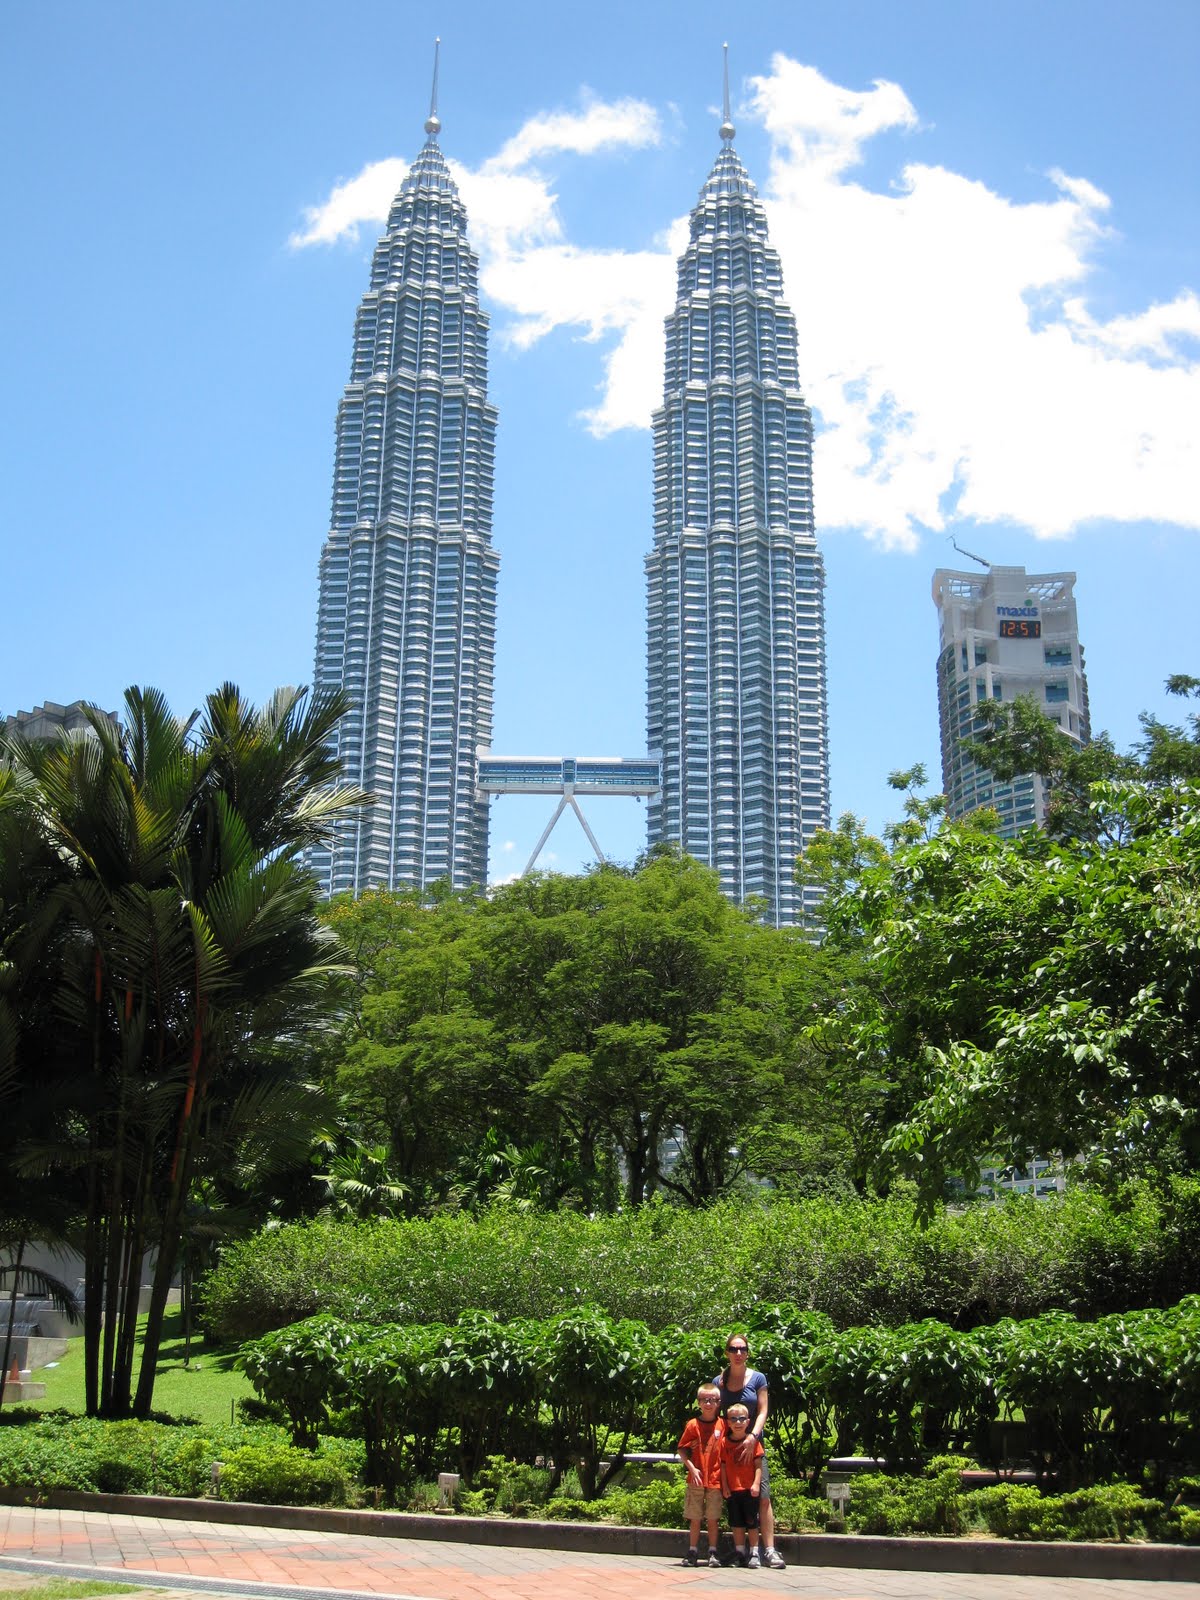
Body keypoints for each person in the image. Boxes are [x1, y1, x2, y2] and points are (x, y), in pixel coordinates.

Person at [714, 1333, 786, 1568]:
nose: (738, 1354)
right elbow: (714, 1413)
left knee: (762, 1497)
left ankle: (770, 1550)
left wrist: (753, 1436)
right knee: (735, 1497)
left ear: (748, 1352)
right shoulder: (719, 1382)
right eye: (733, 1349)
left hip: (754, 1446)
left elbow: (763, 1410)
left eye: (742, 1349)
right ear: (726, 1352)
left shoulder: (758, 1378)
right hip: (730, 1449)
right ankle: (741, 1551)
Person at [677, 1382, 724, 1566]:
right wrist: (691, 1468)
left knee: (712, 1518)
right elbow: (682, 1450)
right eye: (704, 1400)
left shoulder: (723, 1424)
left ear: (718, 1402)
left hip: (715, 1478)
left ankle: (712, 1552)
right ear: (698, 1402)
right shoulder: (692, 1425)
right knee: (695, 1517)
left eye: (712, 1400)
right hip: (696, 1479)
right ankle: (692, 1551)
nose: (708, 1404)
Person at [718, 1404, 763, 1567]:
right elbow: (722, 1466)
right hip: (733, 1490)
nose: (738, 1422)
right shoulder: (724, 1443)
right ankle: (739, 1552)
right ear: (728, 1422)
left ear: (748, 1421)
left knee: (751, 1522)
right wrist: (725, 1486)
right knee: (736, 1523)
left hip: (749, 1490)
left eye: (742, 1419)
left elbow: (758, 1465)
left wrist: (756, 1484)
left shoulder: (753, 1442)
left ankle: (754, 1552)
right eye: (734, 1419)